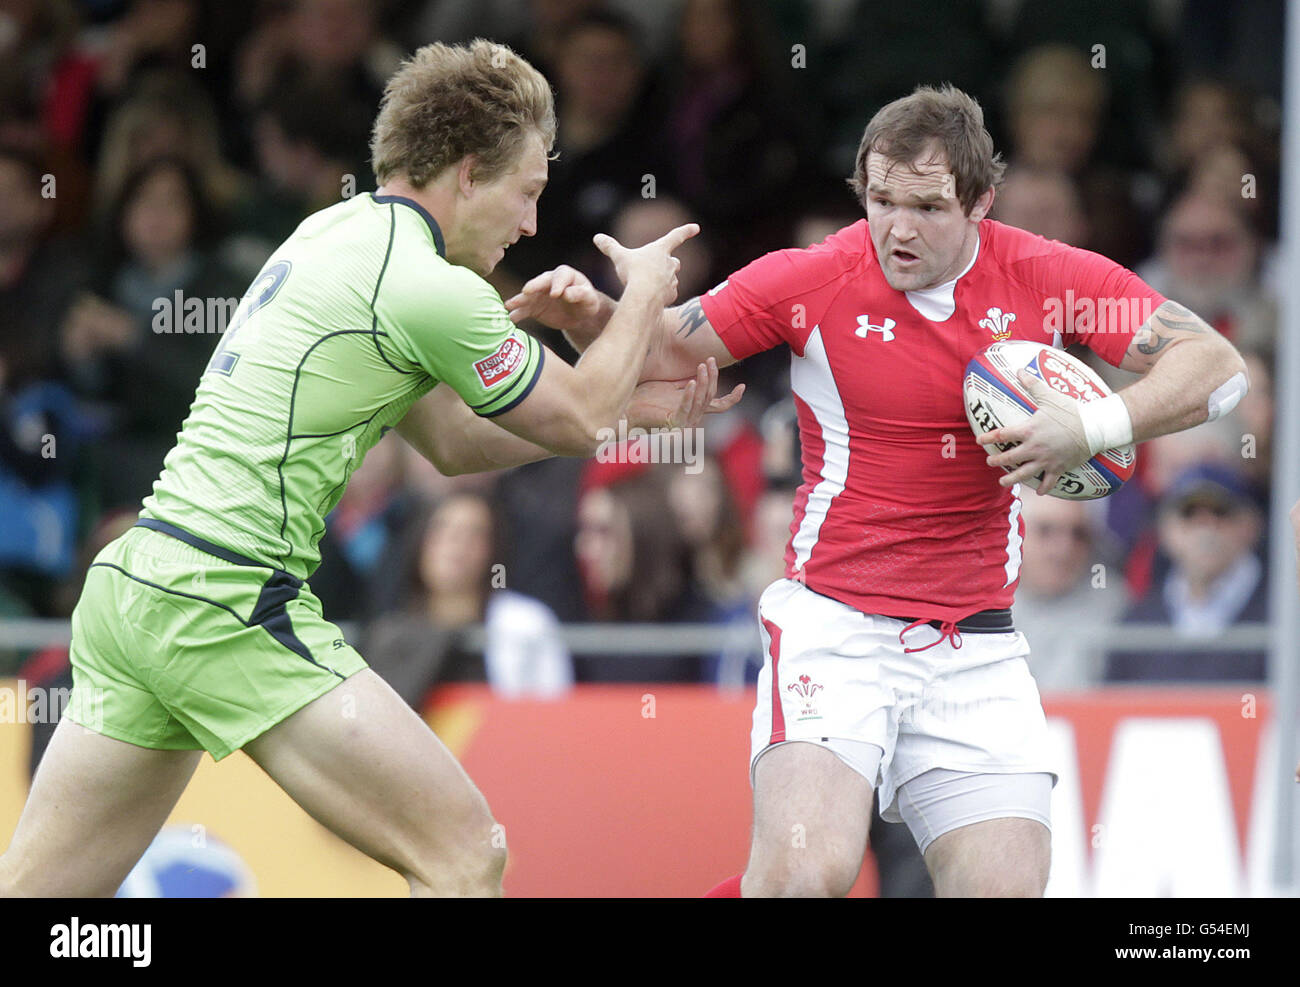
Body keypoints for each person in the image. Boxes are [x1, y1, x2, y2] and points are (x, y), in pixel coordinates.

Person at [0, 39, 739, 899]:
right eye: (528, 192)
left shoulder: (334, 231)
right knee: (466, 853)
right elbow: (577, 415)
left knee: (40, 903)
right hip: (225, 596)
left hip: (137, 588)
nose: (532, 224)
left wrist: (627, 406)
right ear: (467, 173)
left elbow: (456, 443)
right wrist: (646, 287)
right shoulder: (427, 283)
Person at [508, 83, 1250, 897]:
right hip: (836, 629)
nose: (897, 227)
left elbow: (1215, 369)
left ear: (981, 202)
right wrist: (589, 319)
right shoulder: (815, 277)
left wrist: (1094, 423)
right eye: (881, 199)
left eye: (927, 206)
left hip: (978, 646)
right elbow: (659, 355)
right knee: (803, 877)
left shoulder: (1045, 275)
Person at [1104, 463, 1268, 683]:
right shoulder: (1137, 620)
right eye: (1189, 513)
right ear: (1165, 529)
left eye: (1221, 512)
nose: (1206, 527)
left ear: (1251, 524)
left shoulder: (1286, 612)